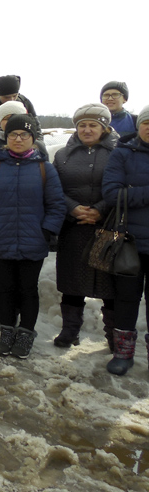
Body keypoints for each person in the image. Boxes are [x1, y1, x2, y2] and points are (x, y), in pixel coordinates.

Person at [0, 114, 66, 359]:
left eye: (24, 135)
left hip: (32, 240)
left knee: (27, 289)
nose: (19, 139)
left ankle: (25, 333)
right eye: (14, 134)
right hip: (0, 239)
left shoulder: (44, 168)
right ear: (6, 138)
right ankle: (6, 331)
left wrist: (45, 231)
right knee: (4, 288)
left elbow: (57, 205)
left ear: (33, 139)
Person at [53, 103, 118, 349]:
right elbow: (55, 188)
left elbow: (122, 185)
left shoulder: (118, 152)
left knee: (109, 284)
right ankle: (70, 330)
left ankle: (113, 335)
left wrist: (100, 208)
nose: (87, 130)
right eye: (82, 125)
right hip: (74, 227)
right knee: (72, 281)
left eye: (93, 125)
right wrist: (72, 207)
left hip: (109, 226)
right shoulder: (62, 155)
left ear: (104, 128)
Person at [0, 100, 47, 325]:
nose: (16, 133)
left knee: (24, 281)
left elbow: (51, 196)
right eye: (6, 120)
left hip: (28, 226)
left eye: (17, 120)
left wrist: (46, 229)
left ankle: (21, 317)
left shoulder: (40, 155)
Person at [101, 105, 149, 376]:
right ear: (139, 125)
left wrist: (135, 192)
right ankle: (123, 352)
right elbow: (112, 194)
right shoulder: (123, 153)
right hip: (129, 240)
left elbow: (126, 193)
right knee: (126, 298)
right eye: (146, 122)